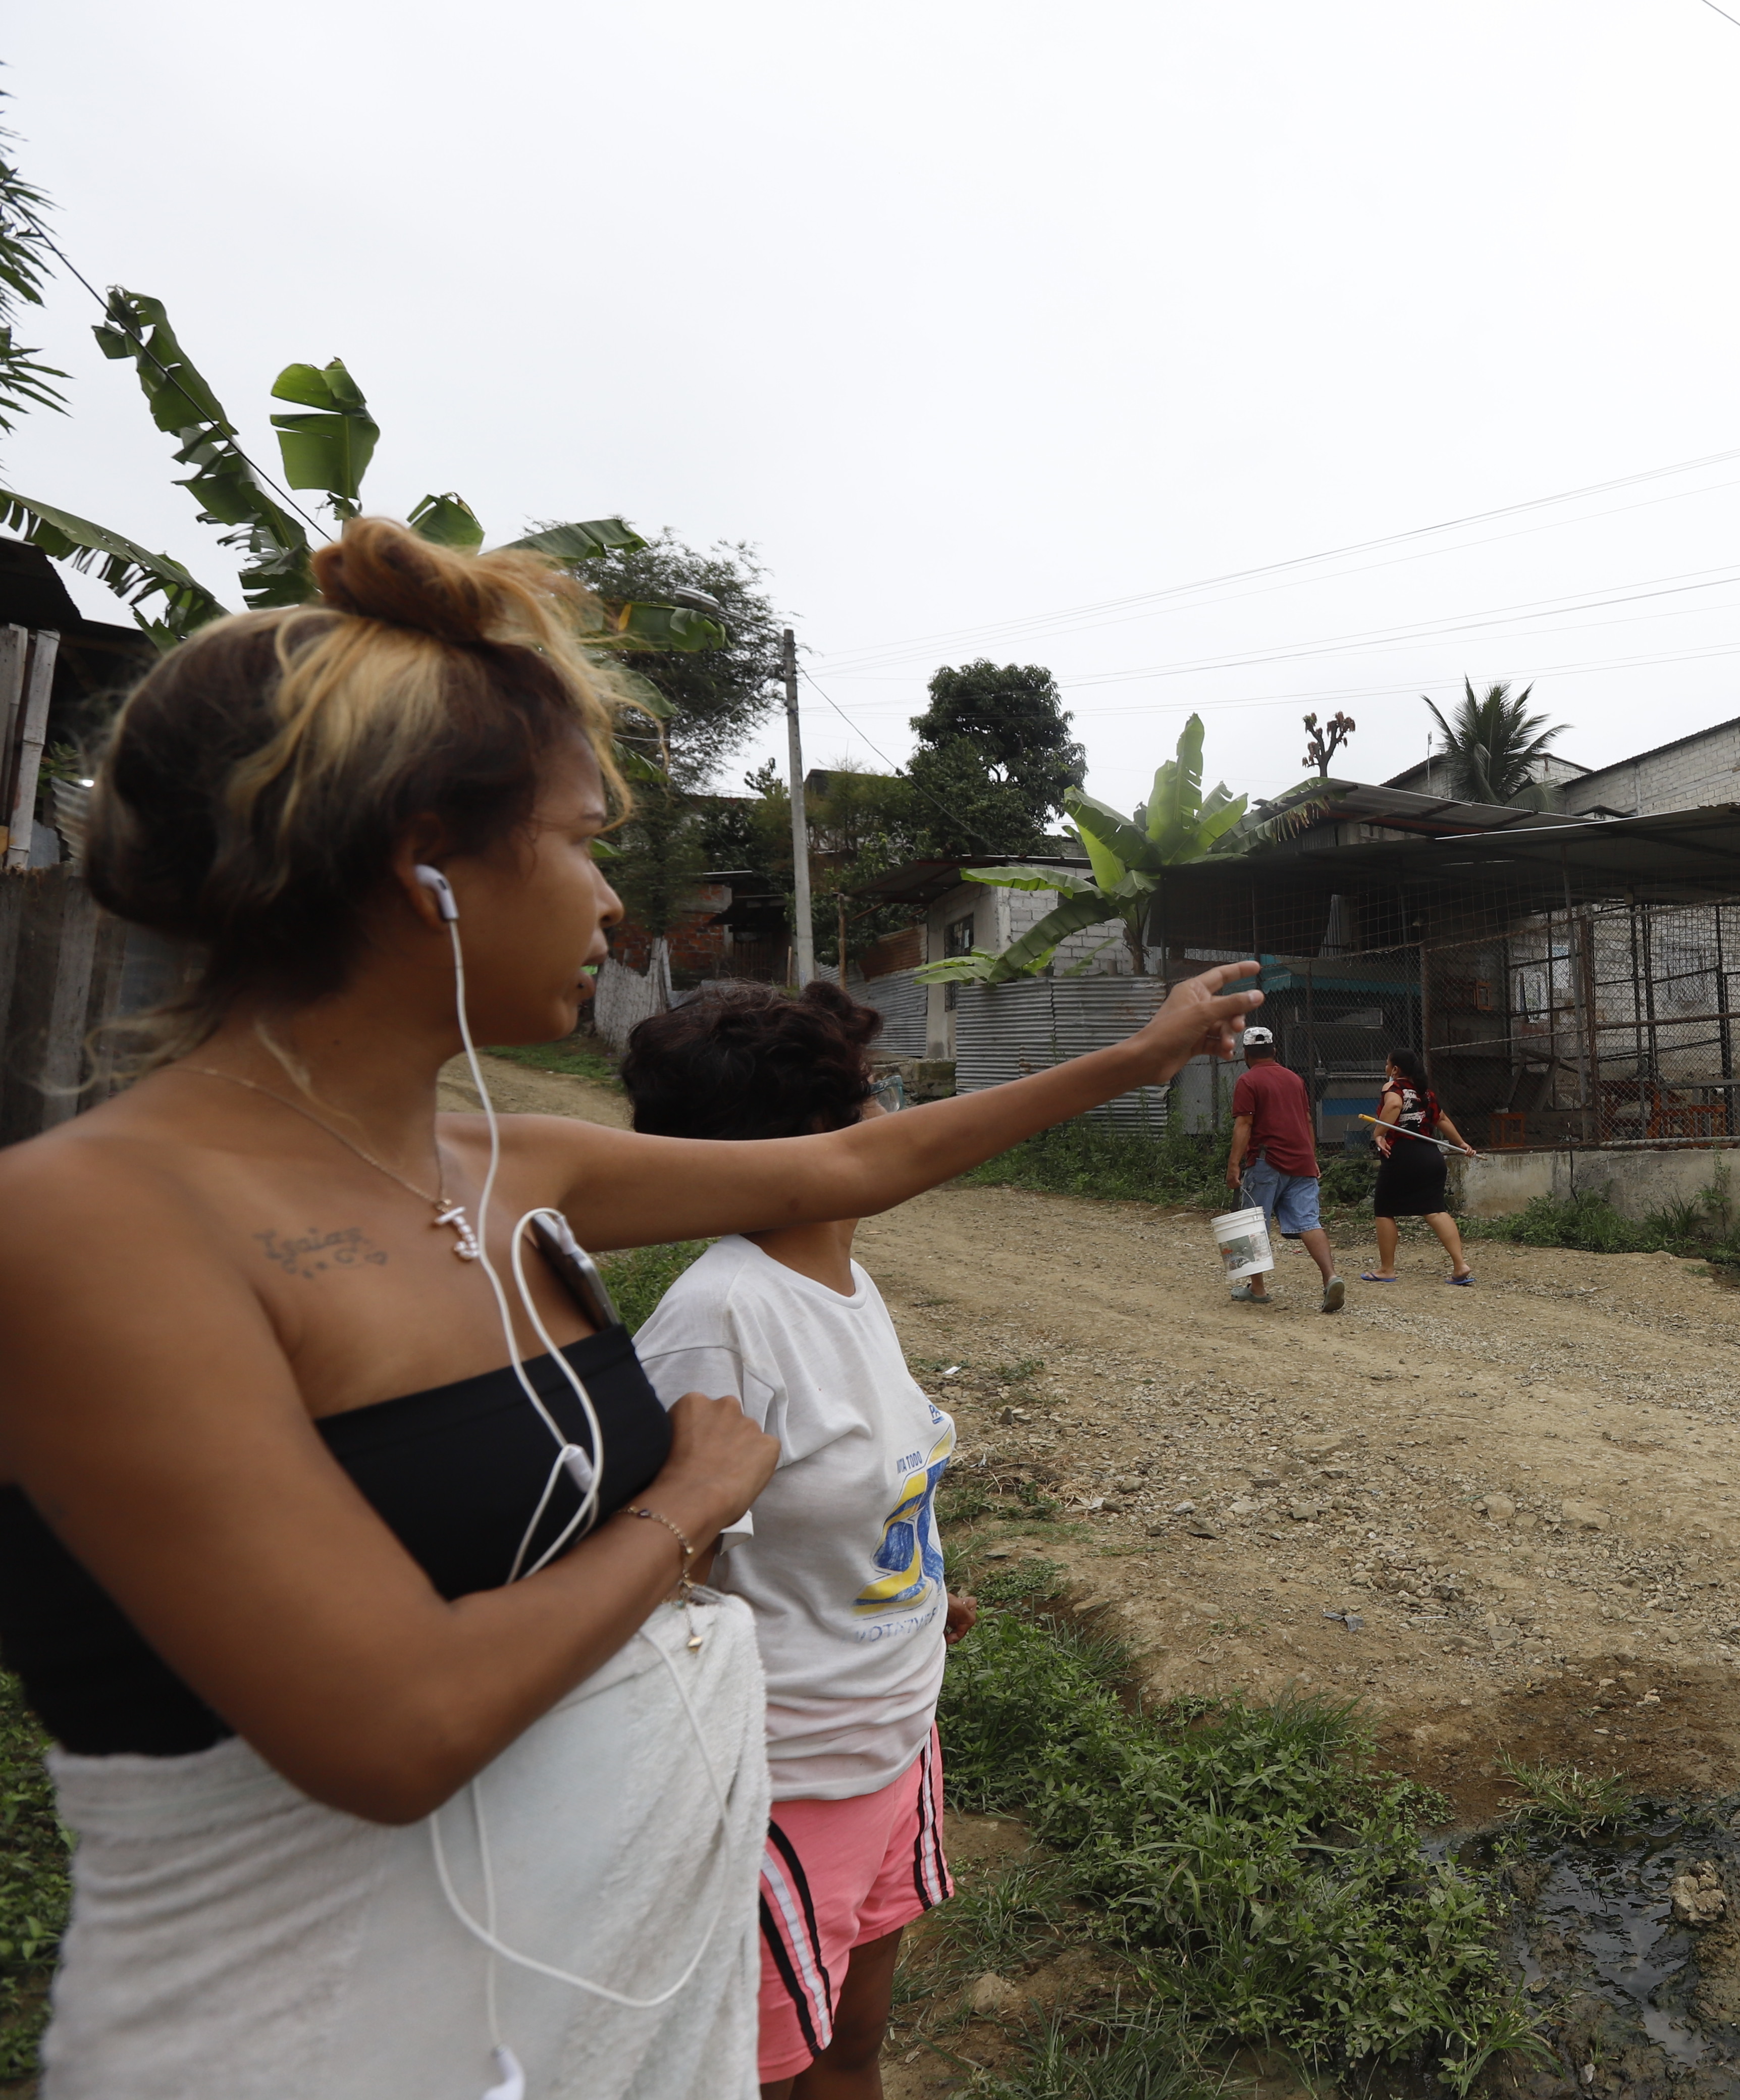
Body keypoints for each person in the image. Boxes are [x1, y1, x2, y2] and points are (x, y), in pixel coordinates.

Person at [0, 516, 1258, 2097]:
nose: (611, 902)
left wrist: (1134, 1060)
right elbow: (390, 1728)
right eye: (583, 837)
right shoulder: (90, 1226)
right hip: (321, 2037)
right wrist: (692, 1504)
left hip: (596, 2001)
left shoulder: (505, 1162)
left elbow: (852, 1158)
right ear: (424, 860)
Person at [620, 981, 977, 2100]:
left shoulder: (843, 1278)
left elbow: (845, 1491)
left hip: (891, 1741)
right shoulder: (719, 1319)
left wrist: (912, 1586)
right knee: (773, 2076)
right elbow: (652, 1589)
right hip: (785, 1786)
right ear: (829, 1135)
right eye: (872, 1100)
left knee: (854, 2050)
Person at [1224, 1024, 1344, 1313]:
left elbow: (1245, 1124)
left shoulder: (1248, 1081)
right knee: (1308, 1222)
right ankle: (1331, 1277)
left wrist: (1234, 1165)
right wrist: (1312, 1158)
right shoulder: (1295, 1080)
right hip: (1302, 1161)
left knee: (1251, 1223)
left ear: (1246, 1054)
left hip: (1267, 1162)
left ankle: (1259, 1289)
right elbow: (1307, 1120)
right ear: (1275, 1051)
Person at [1361, 1047, 1475, 1286]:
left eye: (1387, 1065)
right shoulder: (1426, 1093)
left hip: (1403, 1155)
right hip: (1431, 1157)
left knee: (1384, 1209)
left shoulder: (1394, 1087)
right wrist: (1462, 1144)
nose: (1386, 1069)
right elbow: (1441, 1119)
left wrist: (1379, 1133)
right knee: (1435, 1210)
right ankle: (1460, 1265)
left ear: (1395, 1070)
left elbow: (1393, 1107)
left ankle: (1386, 1269)